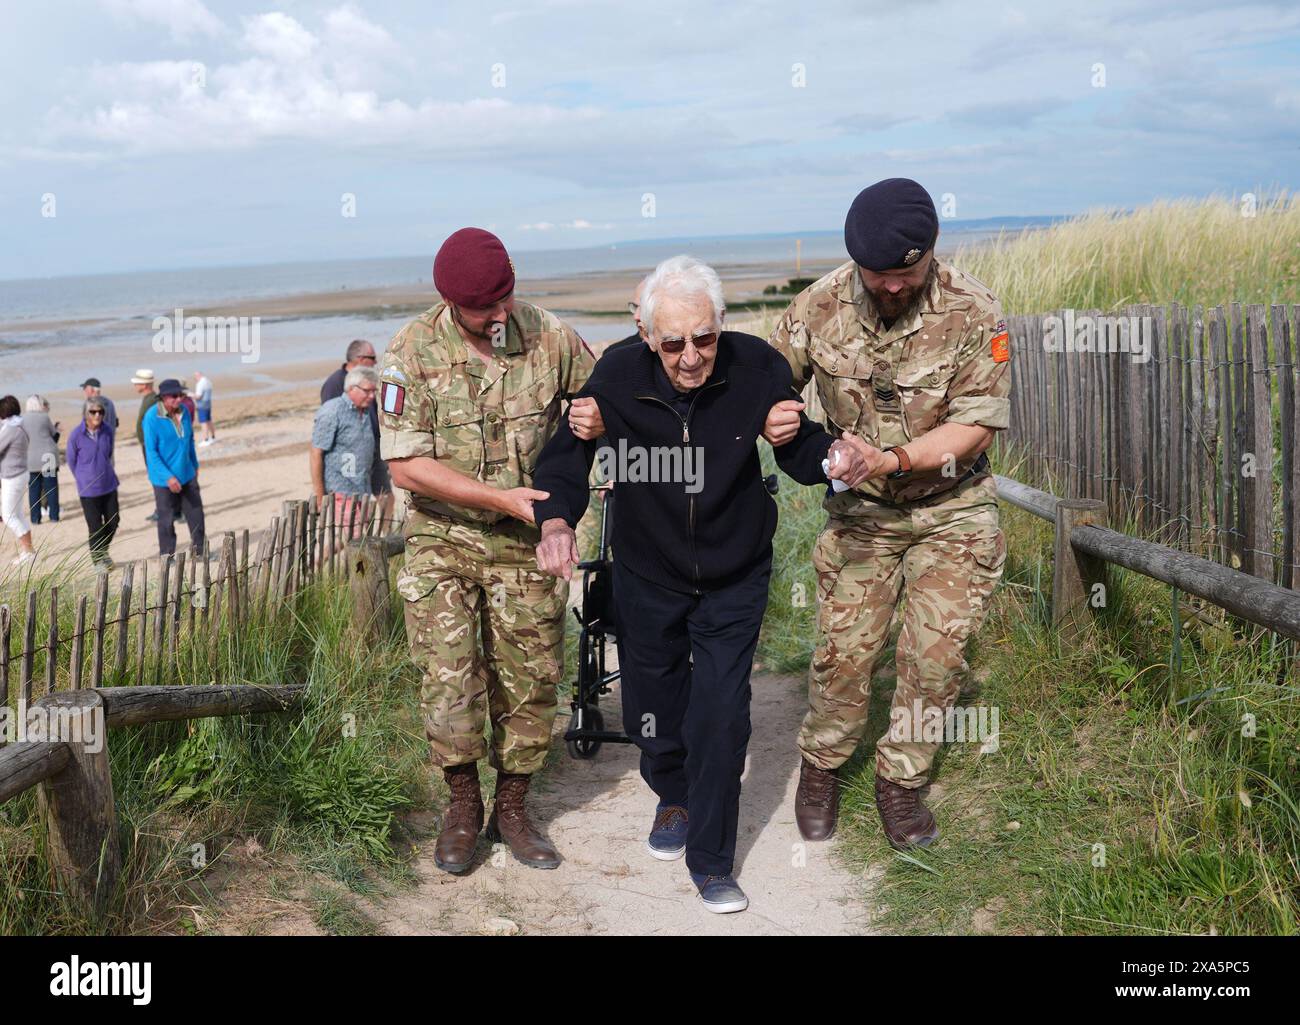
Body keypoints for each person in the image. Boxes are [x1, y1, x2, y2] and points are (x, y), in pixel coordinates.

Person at [532, 255, 865, 914]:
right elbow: (567, 456)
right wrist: (555, 521)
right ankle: (673, 794)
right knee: (651, 708)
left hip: (734, 570)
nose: (691, 356)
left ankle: (711, 860)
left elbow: (800, 454)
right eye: (674, 342)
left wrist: (828, 454)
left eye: (704, 338)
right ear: (649, 337)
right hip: (646, 570)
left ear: (721, 325)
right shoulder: (618, 375)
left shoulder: (757, 367)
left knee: (721, 713)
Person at [765, 177, 1011, 851]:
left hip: (953, 508)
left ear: (931, 252)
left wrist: (893, 458)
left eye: (906, 274)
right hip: (862, 516)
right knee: (847, 652)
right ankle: (822, 765)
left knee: (935, 657)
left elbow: (976, 426)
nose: (893, 287)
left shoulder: (977, 311)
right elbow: (767, 382)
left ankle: (901, 781)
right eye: (878, 276)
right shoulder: (816, 306)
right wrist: (779, 418)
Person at [379, 227, 594, 875]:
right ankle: (463, 803)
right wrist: (500, 500)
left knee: (531, 678)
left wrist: (594, 421)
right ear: (450, 303)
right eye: (483, 309)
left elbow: (604, 393)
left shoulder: (550, 335)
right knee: (450, 677)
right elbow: (406, 466)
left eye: (505, 299)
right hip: (442, 538)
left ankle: (515, 806)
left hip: (525, 542)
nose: (499, 316)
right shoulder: (410, 351)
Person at [322, 340, 394, 529]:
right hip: (349, 457)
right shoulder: (336, 383)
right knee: (353, 517)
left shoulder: (368, 381)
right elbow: (329, 427)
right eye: (372, 358)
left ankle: (385, 536)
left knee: (385, 496)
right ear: (361, 359)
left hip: (373, 448)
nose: (375, 362)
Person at [143, 378, 206, 556]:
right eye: (174, 396)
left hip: (187, 473)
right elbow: (152, 453)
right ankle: (167, 555)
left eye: (181, 395)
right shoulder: (151, 418)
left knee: (196, 514)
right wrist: (168, 477)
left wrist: (194, 464)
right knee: (166, 519)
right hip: (163, 479)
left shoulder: (185, 411)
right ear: (163, 397)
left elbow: (189, 441)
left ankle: (200, 551)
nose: (179, 399)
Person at [311, 367, 378, 534]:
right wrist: (320, 498)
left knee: (359, 539)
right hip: (340, 492)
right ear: (351, 388)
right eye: (367, 391)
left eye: (374, 391)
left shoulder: (366, 410)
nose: (372, 396)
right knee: (356, 542)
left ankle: (320, 561)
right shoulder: (332, 410)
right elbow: (315, 453)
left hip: (362, 488)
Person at [66, 398, 120, 567]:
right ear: (86, 413)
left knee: (113, 521)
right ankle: (98, 560)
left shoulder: (108, 431)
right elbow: (71, 461)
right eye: (93, 412)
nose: (98, 415)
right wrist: (83, 478)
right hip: (88, 490)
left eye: (101, 412)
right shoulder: (76, 435)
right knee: (95, 527)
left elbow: (109, 453)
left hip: (109, 484)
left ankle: (102, 551)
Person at [0, 396, 36, 566]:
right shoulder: (20, 425)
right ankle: (29, 551)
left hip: (12, 476)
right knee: (18, 514)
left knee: (7, 515)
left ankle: (28, 551)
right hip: (21, 473)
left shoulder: (11, 428)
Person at [22, 395, 60, 523]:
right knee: (51, 488)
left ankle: (35, 519)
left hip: (31, 459)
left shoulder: (22, 420)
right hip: (47, 457)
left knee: (34, 490)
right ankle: (54, 517)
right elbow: (54, 433)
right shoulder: (44, 417)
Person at [132, 369, 161, 523]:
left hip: (150, 445)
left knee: (156, 475)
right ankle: (161, 508)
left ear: (144, 384)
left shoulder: (152, 400)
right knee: (154, 475)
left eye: (137, 382)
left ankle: (163, 508)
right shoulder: (148, 398)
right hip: (147, 444)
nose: (135, 385)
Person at [194, 371, 215, 446]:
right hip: (208, 403)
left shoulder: (200, 384)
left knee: (203, 422)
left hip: (202, 404)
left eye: (195, 377)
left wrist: (191, 395)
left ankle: (206, 439)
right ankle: (213, 437)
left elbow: (198, 396)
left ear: (198, 376)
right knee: (209, 420)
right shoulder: (208, 381)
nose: (195, 379)